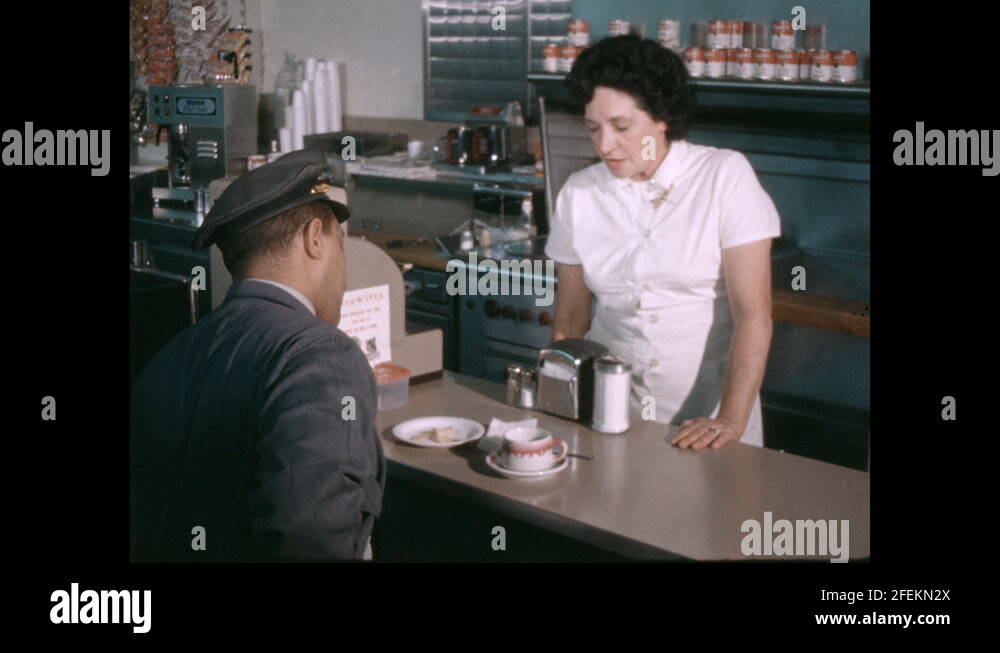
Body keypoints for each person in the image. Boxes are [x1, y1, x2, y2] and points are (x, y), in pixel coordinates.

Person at [130, 149, 386, 561]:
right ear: (314, 238)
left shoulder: (168, 357)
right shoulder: (321, 356)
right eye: (342, 245)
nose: (345, 269)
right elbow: (310, 539)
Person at [546, 35, 781, 450]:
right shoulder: (579, 193)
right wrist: (559, 405)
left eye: (621, 127)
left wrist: (730, 419)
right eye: (593, 128)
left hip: (711, 418)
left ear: (662, 118)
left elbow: (753, 316)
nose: (604, 145)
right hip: (612, 412)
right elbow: (570, 323)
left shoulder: (723, 176)